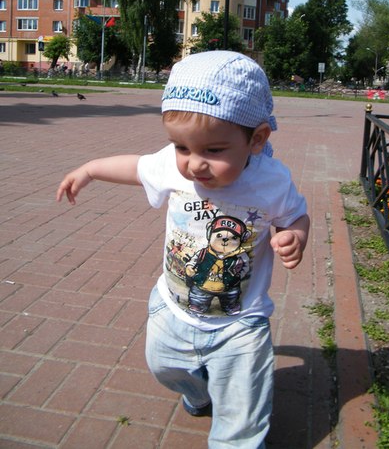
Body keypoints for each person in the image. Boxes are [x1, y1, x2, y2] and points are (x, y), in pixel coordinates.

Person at [56, 51, 310, 448]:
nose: (194, 165)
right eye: (181, 147)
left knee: (242, 416)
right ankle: (197, 391)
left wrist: (295, 235)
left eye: (214, 151)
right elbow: (137, 167)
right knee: (164, 368)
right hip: (172, 310)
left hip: (240, 323)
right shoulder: (173, 167)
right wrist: (90, 169)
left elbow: (295, 215)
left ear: (257, 139)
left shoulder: (271, 180)